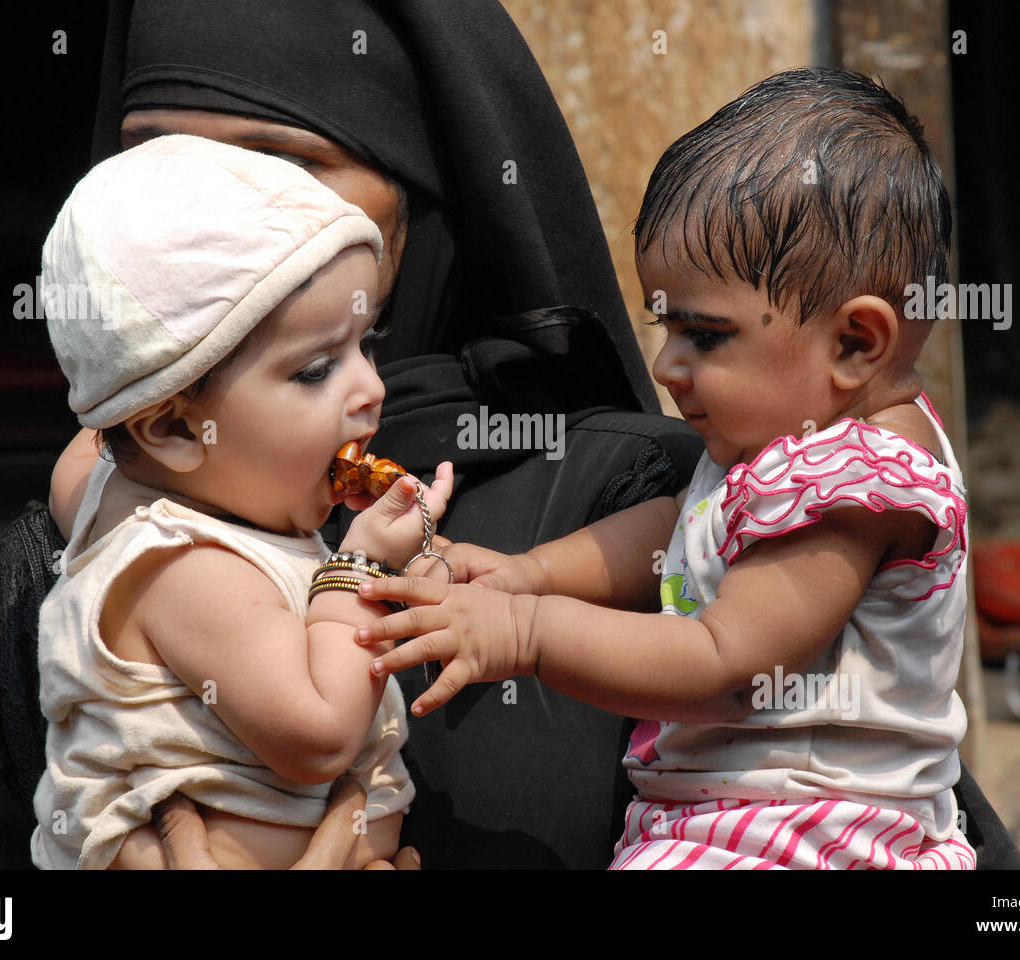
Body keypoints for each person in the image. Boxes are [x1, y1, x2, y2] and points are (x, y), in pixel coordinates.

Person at [0, 0, 703, 870]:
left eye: (280, 161)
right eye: (157, 158)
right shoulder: (63, 564)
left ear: (417, 196)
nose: (210, 207)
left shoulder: (648, 510)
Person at [356, 68, 980, 869]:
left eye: (704, 336)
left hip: (808, 839)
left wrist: (526, 631)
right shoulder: (789, 439)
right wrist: (528, 574)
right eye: (664, 326)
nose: (665, 365)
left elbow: (725, 665)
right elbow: (682, 534)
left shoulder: (857, 485)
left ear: (857, 343)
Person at [30, 134, 455, 869]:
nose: (371, 389)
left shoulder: (117, 491)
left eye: (367, 344)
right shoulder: (188, 569)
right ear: (169, 427)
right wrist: (356, 565)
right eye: (317, 369)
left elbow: (89, 451)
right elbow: (319, 737)